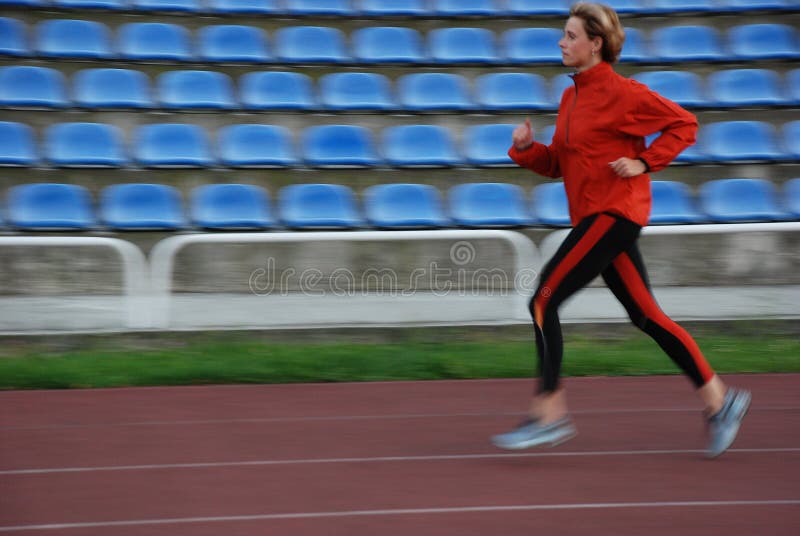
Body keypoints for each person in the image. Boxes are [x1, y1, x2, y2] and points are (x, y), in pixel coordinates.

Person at [491, 2, 750, 458]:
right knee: (646, 316)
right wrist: (528, 150)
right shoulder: (571, 97)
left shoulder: (624, 93)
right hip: (595, 218)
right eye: (563, 34)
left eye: (570, 35)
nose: (561, 41)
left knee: (542, 300)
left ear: (596, 44)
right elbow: (561, 165)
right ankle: (720, 400)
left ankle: (550, 415)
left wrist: (644, 161)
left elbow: (684, 125)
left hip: (613, 215)